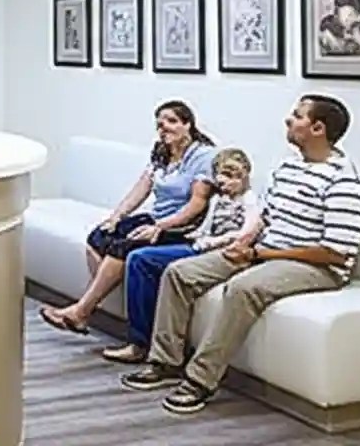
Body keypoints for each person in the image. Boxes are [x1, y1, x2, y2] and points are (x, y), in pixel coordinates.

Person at [120, 94, 360, 415]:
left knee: (242, 289)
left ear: (318, 128)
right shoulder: (288, 166)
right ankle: (165, 362)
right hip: (266, 249)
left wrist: (260, 252)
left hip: (313, 265)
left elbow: (336, 253)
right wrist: (245, 240)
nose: (288, 120)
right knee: (179, 272)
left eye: (297, 116)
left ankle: (201, 380)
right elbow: (266, 215)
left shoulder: (346, 181)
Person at [40, 100, 217, 334]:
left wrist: (161, 226)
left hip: (182, 227)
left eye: (172, 121)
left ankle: (81, 312)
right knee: (99, 237)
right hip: (155, 218)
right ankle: (98, 301)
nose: (164, 128)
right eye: (160, 124)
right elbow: (142, 187)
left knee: (122, 248)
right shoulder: (162, 151)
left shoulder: (203, 156)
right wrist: (116, 216)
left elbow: (197, 204)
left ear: (188, 125)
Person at [101, 147, 262, 364]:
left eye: (234, 176)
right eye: (222, 177)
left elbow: (247, 232)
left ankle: (147, 347)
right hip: (199, 244)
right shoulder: (218, 199)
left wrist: (212, 242)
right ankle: (140, 339)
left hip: (217, 250)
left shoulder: (249, 200)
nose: (227, 182)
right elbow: (206, 226)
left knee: (150, 263)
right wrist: (190, 236)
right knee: (138, 257)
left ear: (245, 176)